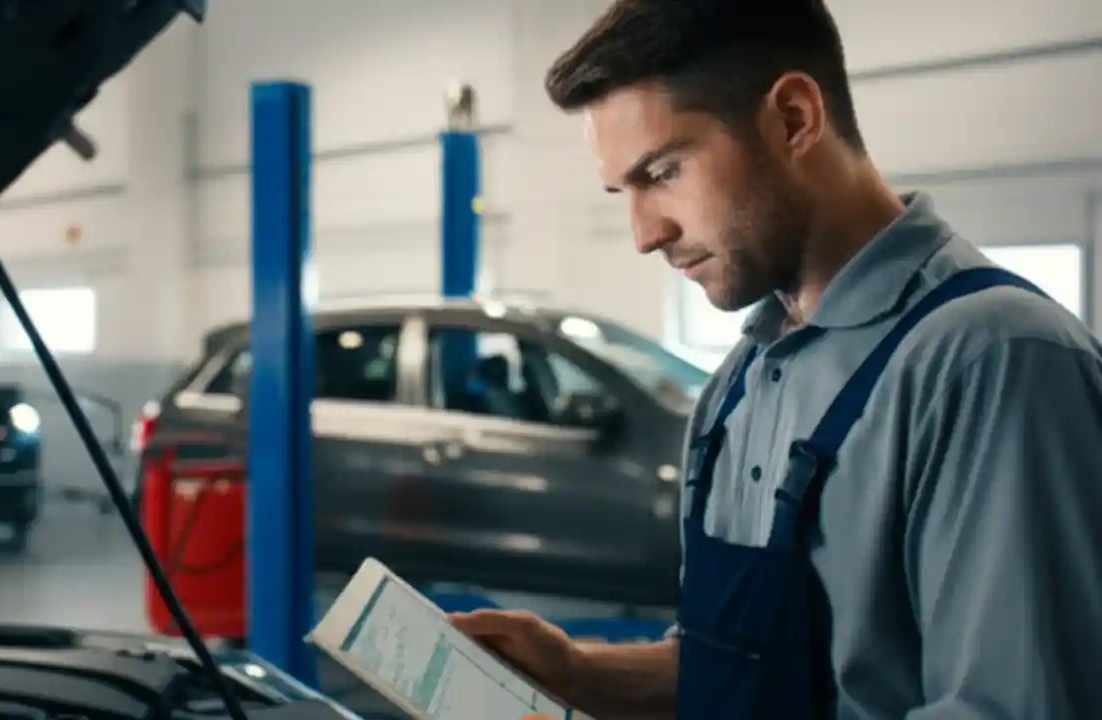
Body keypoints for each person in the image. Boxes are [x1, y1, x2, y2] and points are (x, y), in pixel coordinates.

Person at [450, 1, 1102, 718]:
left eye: (662, 172)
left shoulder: (992, 361)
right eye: (623, 192)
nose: (645, 233)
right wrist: (581, 673)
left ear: (793, 118)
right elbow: (764, 667)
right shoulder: (739, 384)